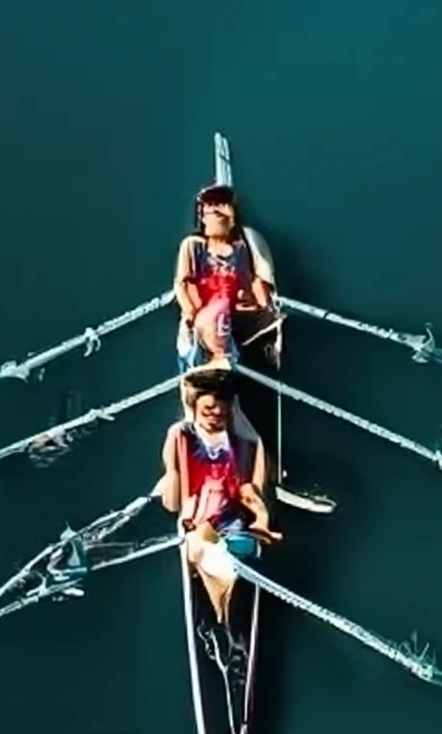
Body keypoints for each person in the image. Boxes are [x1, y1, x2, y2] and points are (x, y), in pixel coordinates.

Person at [158, 370, 282, 627]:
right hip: (198, 526)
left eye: (222, 414)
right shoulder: (180, 437)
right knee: (206, 549)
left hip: (232, 525)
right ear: (193, 409)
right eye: (208, 411)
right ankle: (225, 602)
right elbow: (171, 504)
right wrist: (172, 477)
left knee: (233, 551)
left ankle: (228, 602)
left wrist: (260, 516)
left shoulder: (244, 444)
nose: (215, 416)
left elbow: (255, 488)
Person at [174, 184, 274, 368]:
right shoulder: (193, 247)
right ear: (202, 217)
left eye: (220, 209)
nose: (213, 215)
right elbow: (185, 287)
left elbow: (261, 288)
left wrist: (260, 305)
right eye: (209, 210)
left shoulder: (247, 244)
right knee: (215, 314)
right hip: (206, 323)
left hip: (242, 320)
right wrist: (194, 316)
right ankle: (212, 361)